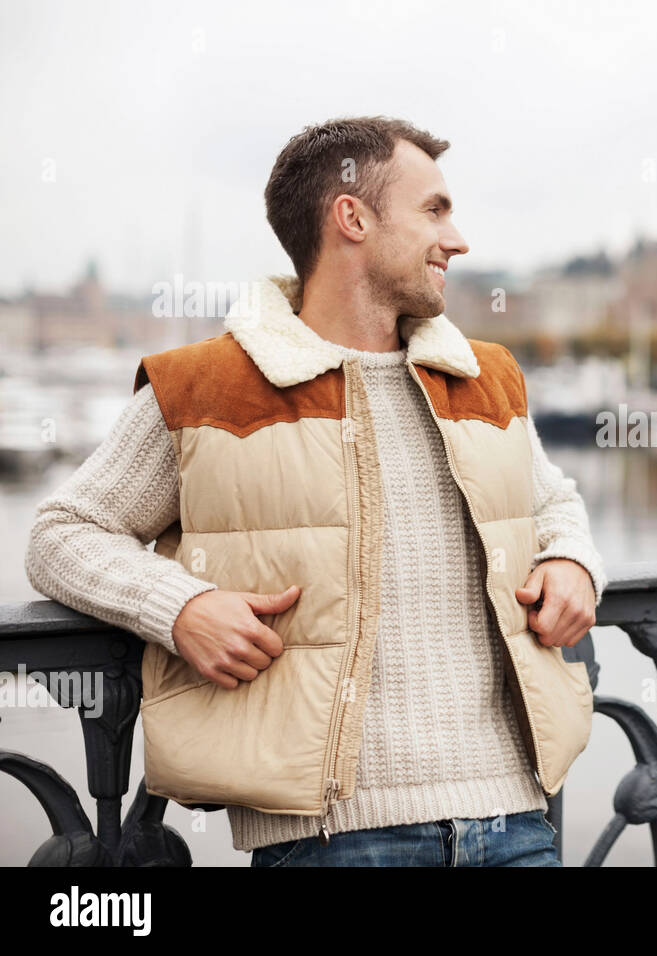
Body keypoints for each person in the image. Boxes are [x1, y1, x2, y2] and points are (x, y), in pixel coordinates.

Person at [24, 116, 605, 867]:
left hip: (517, 822)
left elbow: (553, 500)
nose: (457, 239)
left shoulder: (484, 373)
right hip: (331, 841)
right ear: (352, 217)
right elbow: (61, 533)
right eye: (434, 210)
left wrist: (573, 562)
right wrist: (180, 607)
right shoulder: (205, 385)